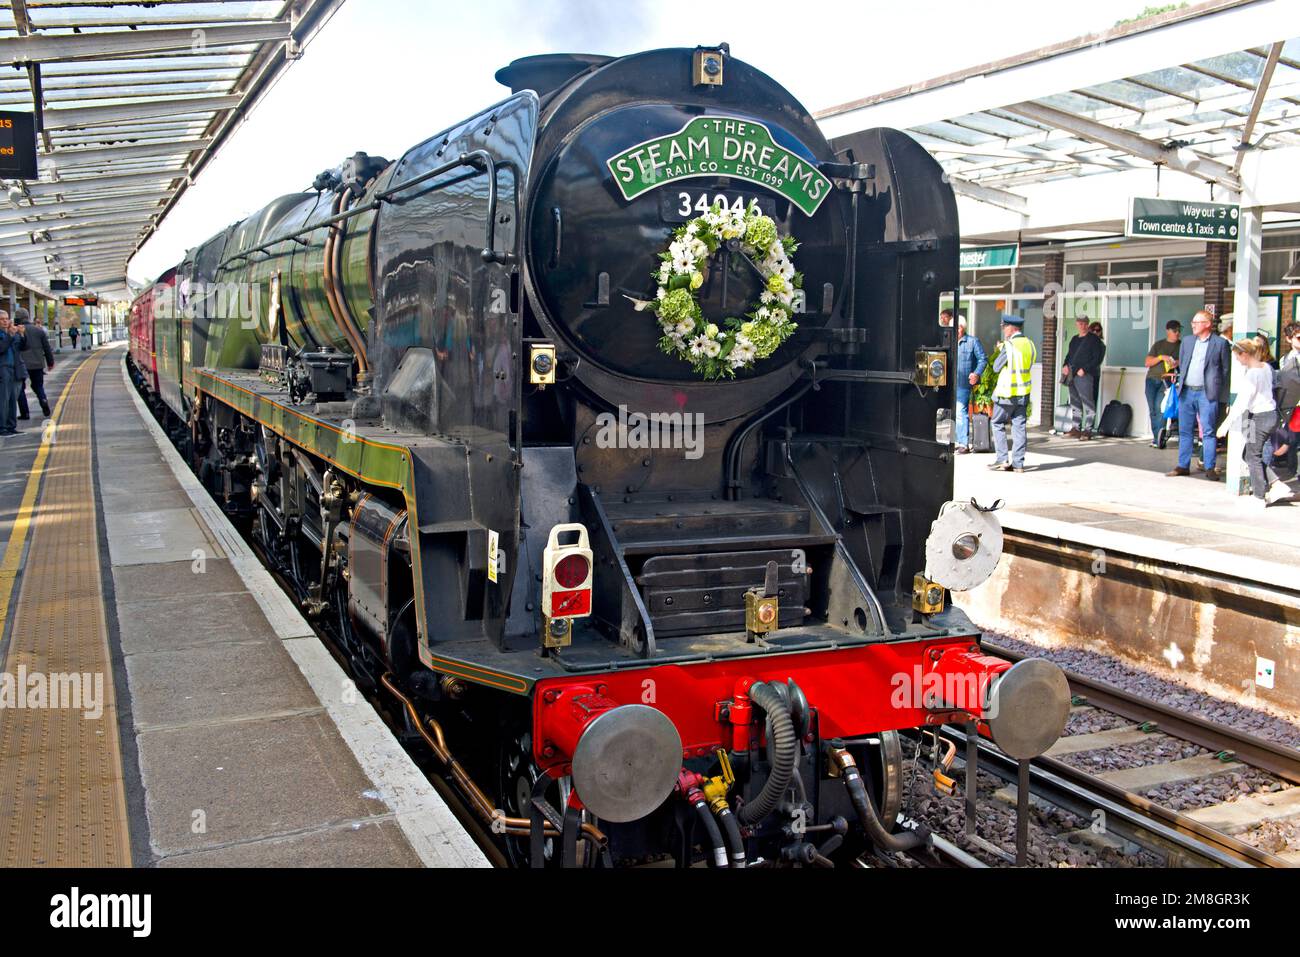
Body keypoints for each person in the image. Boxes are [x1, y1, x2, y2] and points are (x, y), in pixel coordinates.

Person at [1217, 339, 1289, 505]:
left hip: (1260, 418)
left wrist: (1225, 425)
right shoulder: (1266, 367)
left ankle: (1259, 496)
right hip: (1268, 415)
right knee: (1248, 454)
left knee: (1252, 456)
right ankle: (1276, 484)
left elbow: (1242, 401)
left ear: (1245, 354)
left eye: (1237, 356)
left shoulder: (1252, 374)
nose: (1236, 360)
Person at [1167, 310, 1231, 480]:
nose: (1193, 325)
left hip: (1207, 393)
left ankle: (1209, 467)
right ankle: (1183, 465)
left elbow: (1225, 371)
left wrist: (1223, 398)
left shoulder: (1220, 343)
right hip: (1186, 391)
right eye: (1193, 322)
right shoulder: (1187, 342)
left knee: (1209, 431)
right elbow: (1183, 364)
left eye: (1197, 322)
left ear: (1208, 324)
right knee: (1185, 431)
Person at [988, 314, 1036, 473]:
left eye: (1004, 326)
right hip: (1023, 394)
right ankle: (1018, 464)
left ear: (1012, 328)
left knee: (996, 422)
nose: (1003, 329)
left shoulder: (1008, 346)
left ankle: (1002, 459)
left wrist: (998, 350)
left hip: (1007, 393)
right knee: (1019, 427)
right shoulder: (1030, 344)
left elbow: (995, 367)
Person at [1061, 316, 1104, 439]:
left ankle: (1088, 430)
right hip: (1072, 375)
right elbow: (1069, 356)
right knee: (1075, 403)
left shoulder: (1094, 340)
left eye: (1084, 323)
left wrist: (1085, 369)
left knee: (1088, 403)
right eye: (1079, 323)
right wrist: (1065, 366)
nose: (1082, 325)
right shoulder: (1074, 339)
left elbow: (1096, 359)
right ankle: (1075, 428)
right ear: (1076, 324)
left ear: (1087, 324)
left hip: (1084, 376)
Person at [1144, 320, 1181, 447]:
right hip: (1151, 379)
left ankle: (1159, 439)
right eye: (1174, 331)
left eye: (1178, 331)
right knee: (1152, 410)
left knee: (1161, 408)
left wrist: (1176, 362)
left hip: (1166, 381)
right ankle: (1156, 438)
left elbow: (1187, 360)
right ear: (1168, 331)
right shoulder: (1158, 345)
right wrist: (1161, 357)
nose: (1177, 333)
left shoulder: (1181, 346)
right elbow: (1147, 362)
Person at [953, 318, 987, 454]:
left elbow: (983, 359)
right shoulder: (948, 341)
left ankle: (963, 444)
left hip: (963, 383)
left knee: (961, 412)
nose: (957, 330)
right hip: (948, 383)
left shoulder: (973, 341)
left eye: (959, 327)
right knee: (950, 412)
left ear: (964, 328)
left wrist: (976, 374)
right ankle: (954, 441)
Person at [14, 309, 53, 418]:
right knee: (38, 386)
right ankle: (43, 399)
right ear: (28, 317)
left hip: (21, 364)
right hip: (37, 363)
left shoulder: (16, 330)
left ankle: (25, 413)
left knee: (20, 388)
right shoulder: (39, 331)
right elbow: (47, 348)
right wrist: (50, 362)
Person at [0, 310, 23, 436]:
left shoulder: (10, 333)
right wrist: (10, 336)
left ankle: (11, 425)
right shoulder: (5, 335)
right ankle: (2, 427)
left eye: (7, 318)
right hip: (2, 368)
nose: (5, 321)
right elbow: (2, 348)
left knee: (12, 399)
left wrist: (21, 335)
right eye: (2, 319)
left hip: (13, 368)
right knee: (3, 399)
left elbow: (22, 347)